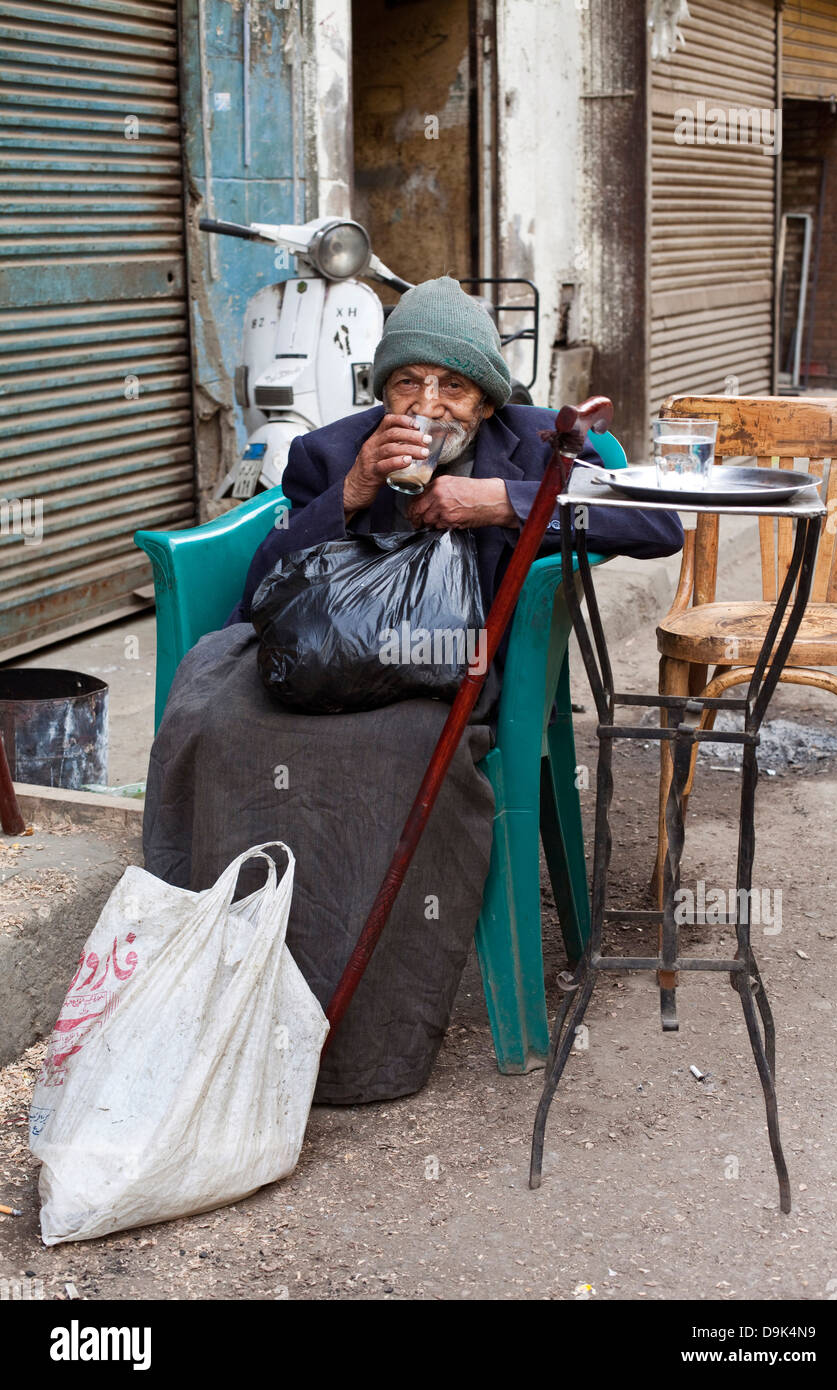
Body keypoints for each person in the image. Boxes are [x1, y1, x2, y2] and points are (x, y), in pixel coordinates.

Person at [143, 276, 683, 1105]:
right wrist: (353, 490)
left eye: (453, 384)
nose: (429, 403)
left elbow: (658, 523)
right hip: (321, 665)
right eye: (407, 381)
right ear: (383, 387)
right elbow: (261, 590)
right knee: (218, 725)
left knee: (382, 760)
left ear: (488, 396)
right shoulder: (334, 449)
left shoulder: (537, 443)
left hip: (446, 678)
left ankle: (354, 1037)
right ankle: (222, 995)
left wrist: (502, 502)